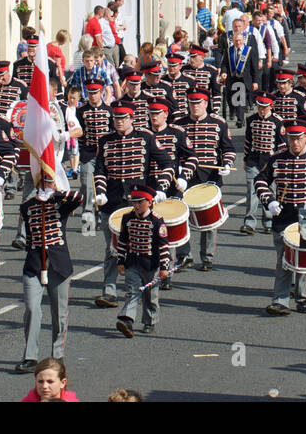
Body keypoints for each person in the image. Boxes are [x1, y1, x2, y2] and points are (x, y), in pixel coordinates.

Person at [93, 105, 175, 306]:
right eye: (116, 118)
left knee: (146, 247)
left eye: (123, 118)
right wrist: (101, 191)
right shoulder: (105, 141)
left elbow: (168, 163)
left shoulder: (145, 138)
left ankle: (148, 289)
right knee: (113, 247)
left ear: (132, 118)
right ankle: (109, 290)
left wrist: (162, 187)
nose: (119, 121)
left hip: (139, 203)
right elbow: (100, 170)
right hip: (112, 202)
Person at [258, 125, 306, 316]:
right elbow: (260, 181)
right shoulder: (277, 159)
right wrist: (270, 201)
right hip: (283, 219)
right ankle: (280, 300)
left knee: (303, 261)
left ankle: (301, 298)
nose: (295, 143)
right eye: (291, 139)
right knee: (284, 259)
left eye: (298, 138)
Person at [18, 175, 84, 371]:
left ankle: (58, 354)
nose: (47, 185)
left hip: (58, 263)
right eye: (44, 182)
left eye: (50, 182)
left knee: (59, 313)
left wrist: (55, 195)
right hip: (34, 263)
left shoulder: (61, 204)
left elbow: (78, 197)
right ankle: (30, 356)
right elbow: (30, 236)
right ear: (38, 184)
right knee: (31, 309)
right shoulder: (27, 206)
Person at [179, 91, 234, 271]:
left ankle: (207, 257)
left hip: (210, 177)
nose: (195, 106)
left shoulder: (218, 123)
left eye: (198, 102)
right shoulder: (179, 125)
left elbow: (228, 149)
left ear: (206, 103)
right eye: (191, 103)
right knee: (181, 218)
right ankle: (184, 255)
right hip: (185, 178)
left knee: (208, 220)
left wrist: (227, 163)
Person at [115, 187, 170, 337]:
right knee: (132, 291)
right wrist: (120, 261)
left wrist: (164, 267)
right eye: (134, 202)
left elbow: (163, 246)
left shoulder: (157, 220)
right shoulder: (127, 218)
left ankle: (149, 320)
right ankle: (127, 320)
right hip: (133, 262)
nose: (137, 205)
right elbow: (122, 241)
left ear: (149, 202)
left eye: (140, 202)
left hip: (150, 265)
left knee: (149, 295)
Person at [242, 94, 285, 235]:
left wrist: (279, 163)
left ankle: (268, 221)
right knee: (251, 191)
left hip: (270, 162)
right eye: (260, 107)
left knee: (269, 191)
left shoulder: (278, 122)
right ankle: (249, 222)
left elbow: (282, 145)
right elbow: (248, 140)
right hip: (253, 160)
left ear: (270, 106)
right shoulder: (251, 120)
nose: (261, 110)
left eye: (264, 107)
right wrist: (245, 159)